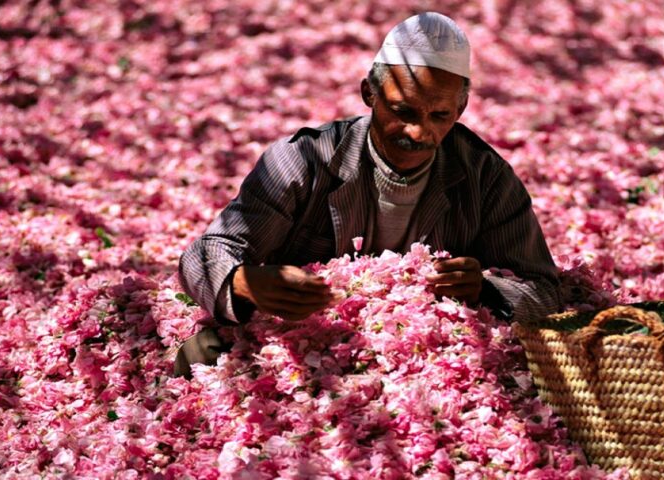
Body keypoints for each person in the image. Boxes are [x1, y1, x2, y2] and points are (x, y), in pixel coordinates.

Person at [174, 12, 566, 377]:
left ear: (460, 109)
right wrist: (244, 282)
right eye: (403, 111)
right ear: (369, 93)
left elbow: (544, 289)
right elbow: (206, 253)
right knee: (202, 354)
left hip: (425, 361)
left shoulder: (486, 177)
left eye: (439, 116)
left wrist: (485, 289)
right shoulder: (304, 160)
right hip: (307, 343)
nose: (418, 132)